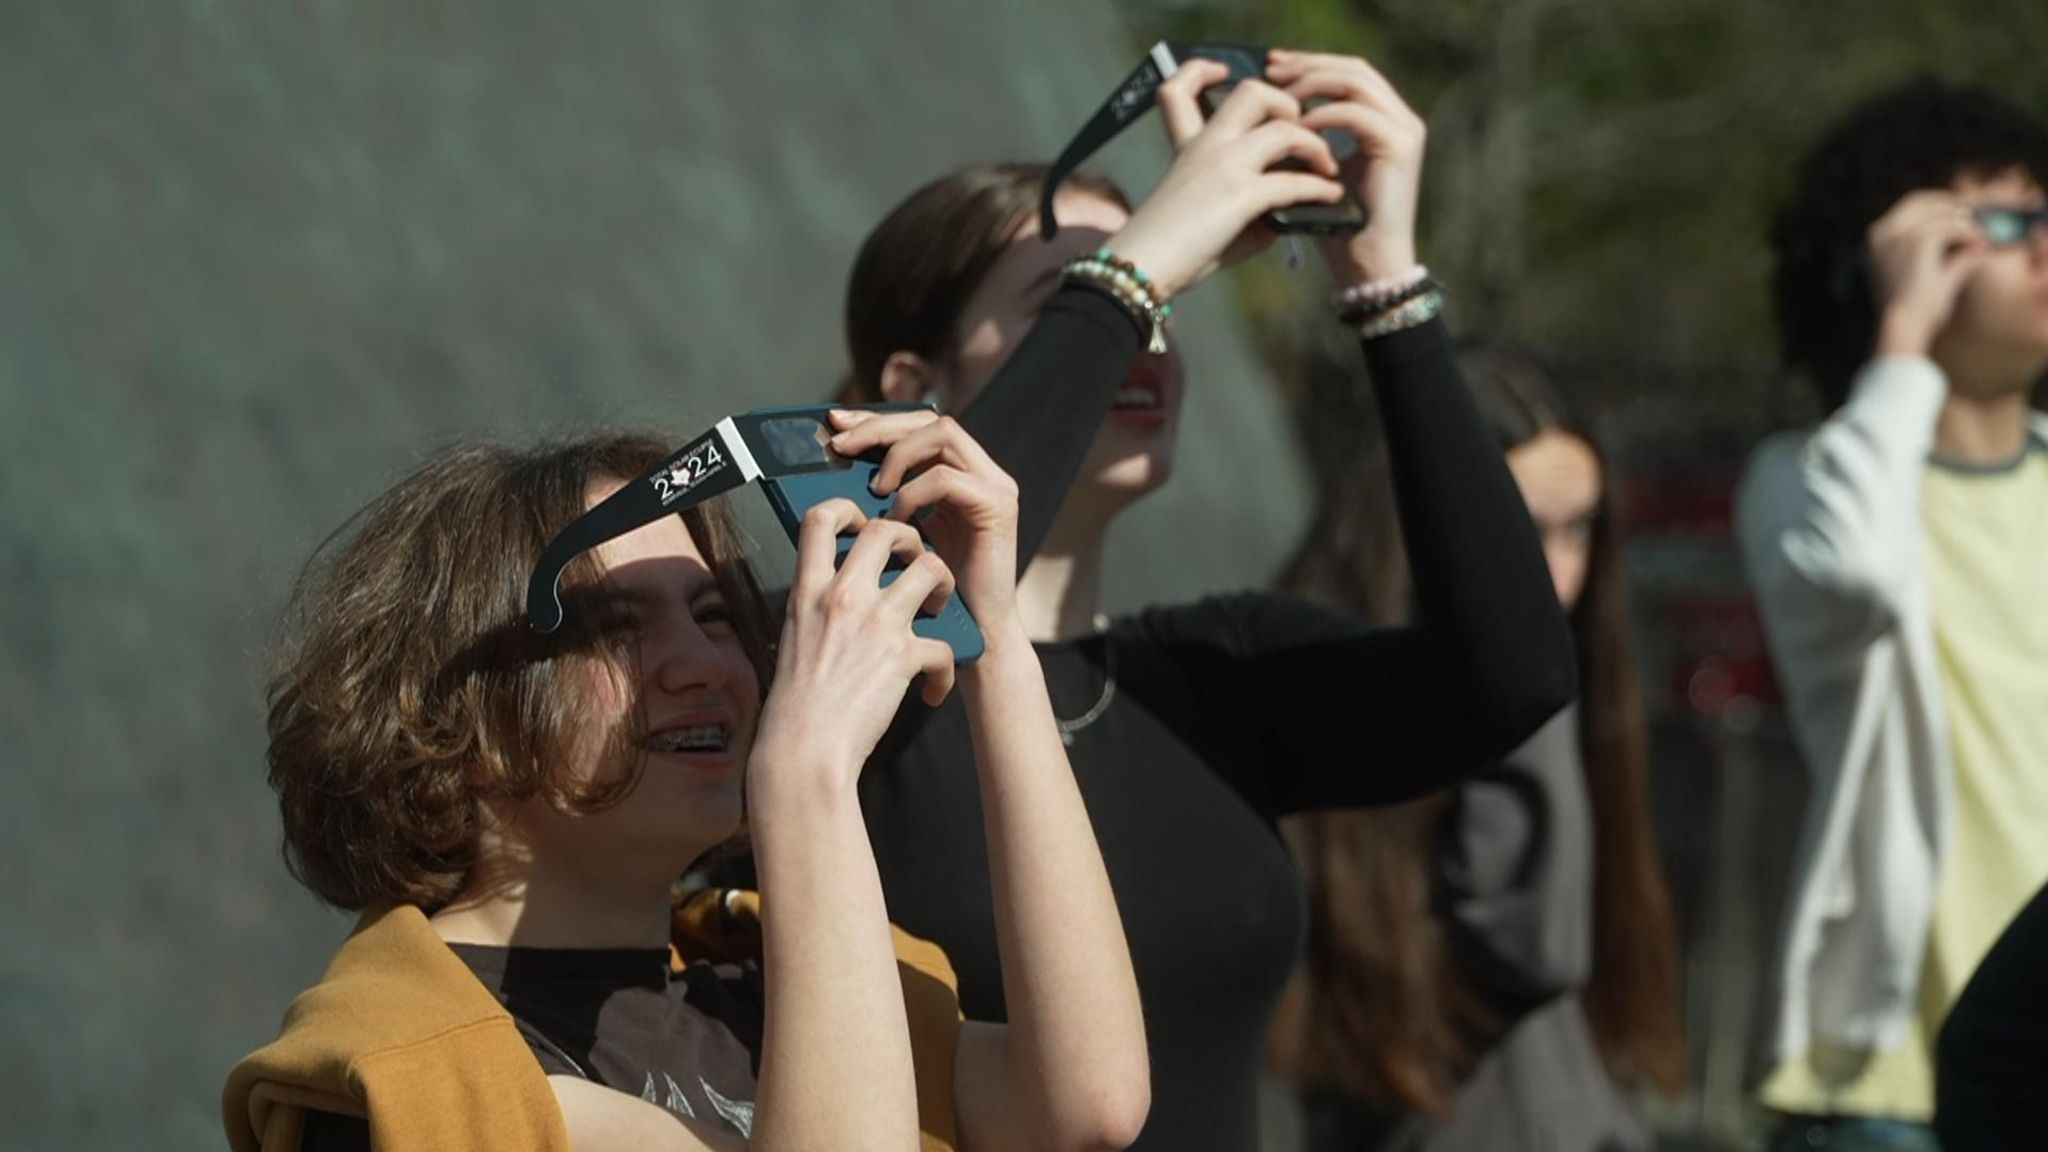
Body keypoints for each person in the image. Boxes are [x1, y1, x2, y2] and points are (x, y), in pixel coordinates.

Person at [811, 49, 1578, 1151]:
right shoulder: (842, 671)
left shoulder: (1213, 675)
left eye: (1164, 309)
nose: (1146, 339)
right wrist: (1133, 266)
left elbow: (1512, 678)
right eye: (1078, 301)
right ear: (908, 390)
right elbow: (926, 580)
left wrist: (1385, 284)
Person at [223, 420, 1148, 1152]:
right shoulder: (414, 1073)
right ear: (457, 720)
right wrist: (808, 772)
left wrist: (991, 632)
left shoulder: (766, 986)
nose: (707, 663)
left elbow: (1087, 1104)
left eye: (716, 617)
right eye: (617, 630)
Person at [1267, 345, 1686, 1151]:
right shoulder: (1315, 688)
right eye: (1517, 532)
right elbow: (1535, 937)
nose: (1556, 574)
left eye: (1579, 530)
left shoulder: (1579, 687)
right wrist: (1519, 689)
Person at [1735, 75, 2048, 1151]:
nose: (2038, 252)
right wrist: (1902, 330)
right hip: (1883, 1091)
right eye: (1997, 226)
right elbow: (1857, 570)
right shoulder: (1807, 480)